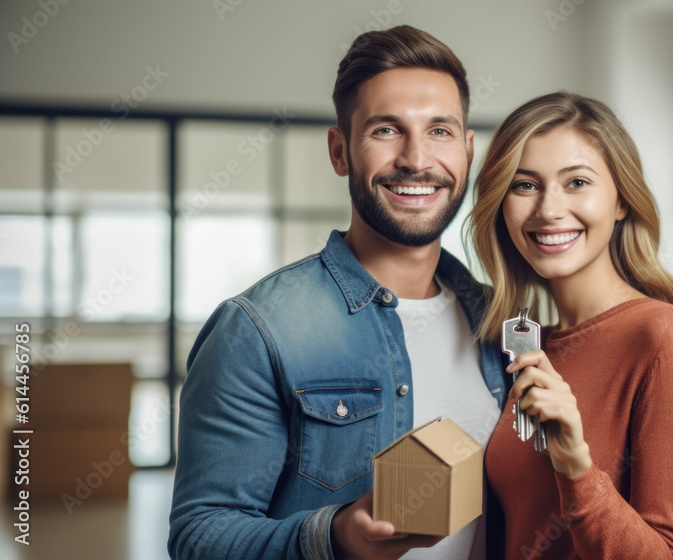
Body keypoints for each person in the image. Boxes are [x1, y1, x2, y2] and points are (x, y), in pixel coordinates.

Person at [169, 26, 509, 560]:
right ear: (339, 150)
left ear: (467, 151)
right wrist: (336, 537)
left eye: (440, 131)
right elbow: (201, 537)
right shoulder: (258, 329)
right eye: (386, 130)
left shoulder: (500, 322)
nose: (417, 159)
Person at [469, 92, 673, 559]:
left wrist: (575, 463)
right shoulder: (522, 344)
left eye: (576, 182)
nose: (548, 209)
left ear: (621, 202)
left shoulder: (666, 338)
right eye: (525, 185)